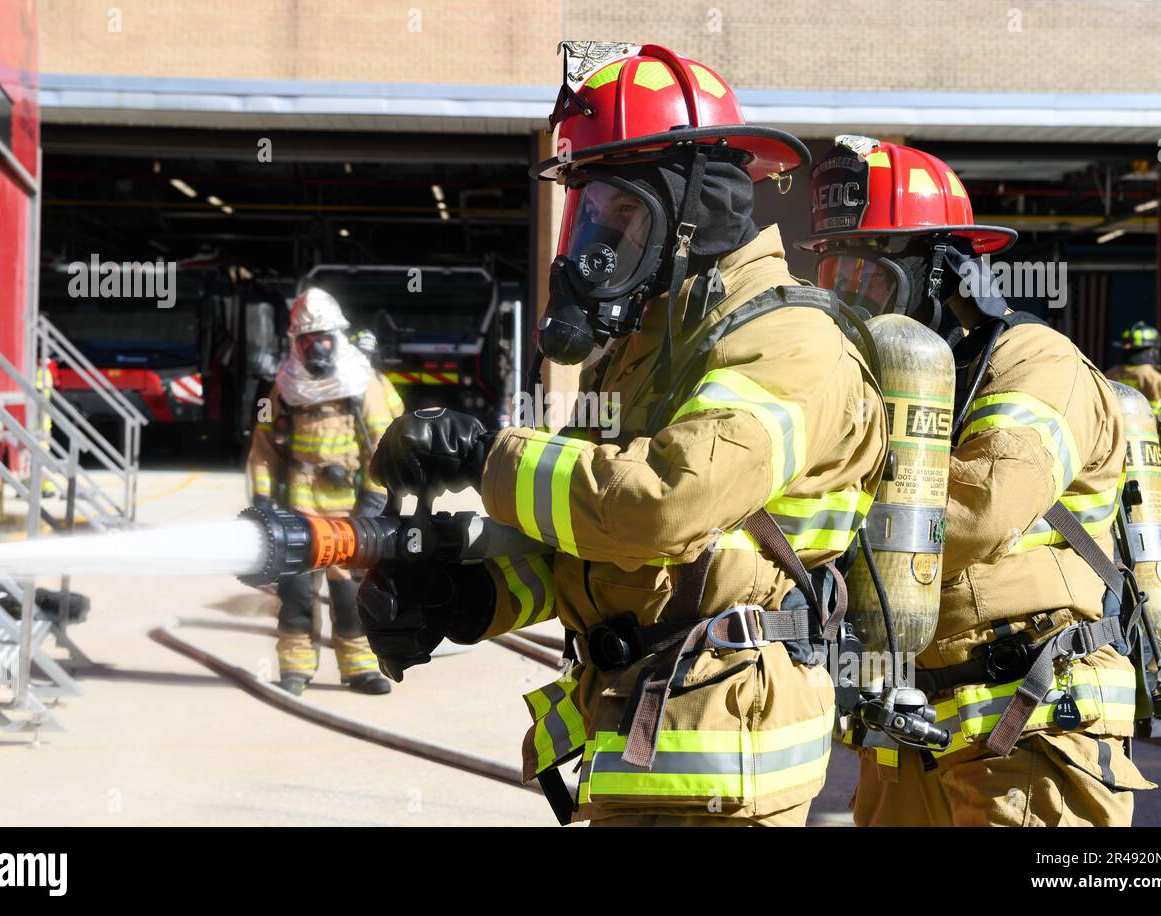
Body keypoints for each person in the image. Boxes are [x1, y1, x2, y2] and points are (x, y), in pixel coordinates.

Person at [358, 42, 887, 826]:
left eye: (623, 210)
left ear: (693, 205)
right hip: (642, 746)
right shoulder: (652, 345)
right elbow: (595, 539)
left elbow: (659, 509)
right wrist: (468, 599)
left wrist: (483, 455)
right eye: (589, 213)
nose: (595, 241)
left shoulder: (789, 340)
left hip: (724, 770)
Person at [803, 136, 1153, 826]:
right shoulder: (889, 385)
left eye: (869, 276)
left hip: (1030, 714)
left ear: (941, 269)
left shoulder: (1034, 362)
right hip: (910, 719)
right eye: (835, 275)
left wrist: (824, 537)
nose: (848, 300)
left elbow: (986, 504)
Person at [246, 288, 394, 696]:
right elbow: (262, 452)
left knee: (352, 596)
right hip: (299, 513)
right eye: (308, 339)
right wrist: (262, 504)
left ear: (337, 337)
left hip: (351, 515)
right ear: (296, 341)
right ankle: (296, 669)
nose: (317, 346)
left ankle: (360, 669)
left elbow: (384, 447)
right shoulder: (283, 389)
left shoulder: (362, 383)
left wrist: (374, 501)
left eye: (323, 337)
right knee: (295, 596)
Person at [1105, 321, 1161, 458]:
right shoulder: (1157, 379)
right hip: (1150, 454)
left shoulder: (1108, 376)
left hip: (1114, 455)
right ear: (1152, 350)